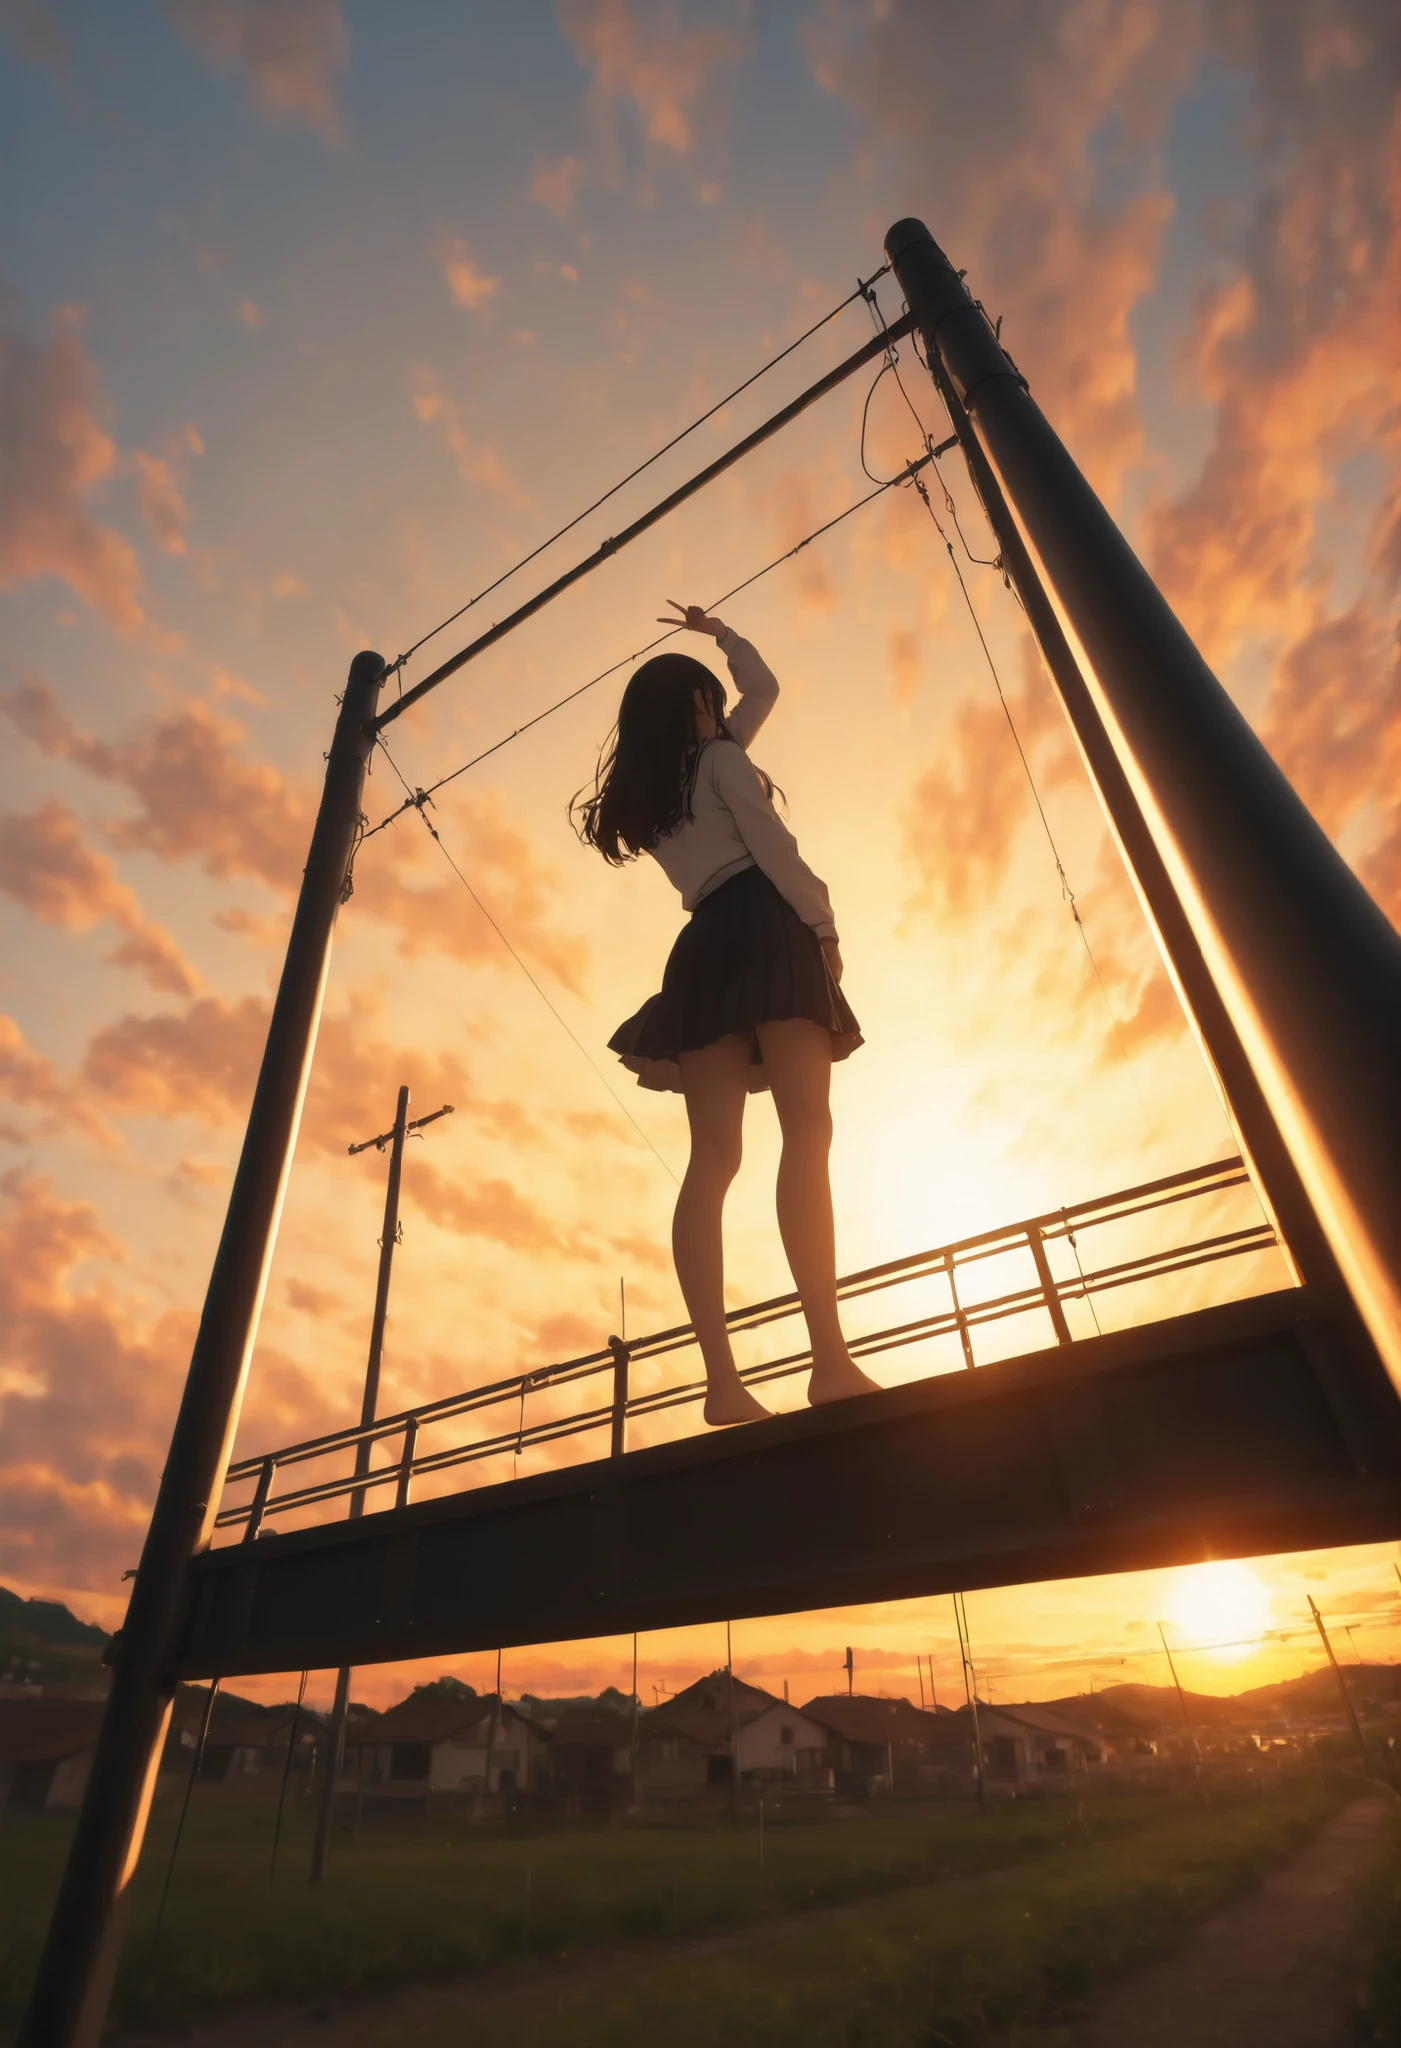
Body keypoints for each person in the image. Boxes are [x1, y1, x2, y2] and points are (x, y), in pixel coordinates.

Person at [573, 600, 877, 1425]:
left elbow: (761, 694)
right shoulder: (720, 762)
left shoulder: (655, 792)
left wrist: (717, 640)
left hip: (702, 944)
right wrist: (823, 926)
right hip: (767, 925)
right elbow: (777, 850)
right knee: (806, 1133)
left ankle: (722, 1385)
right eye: (709, 696)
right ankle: (829, 1361)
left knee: (712, 1163)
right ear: (695, 706)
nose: (721, 707)